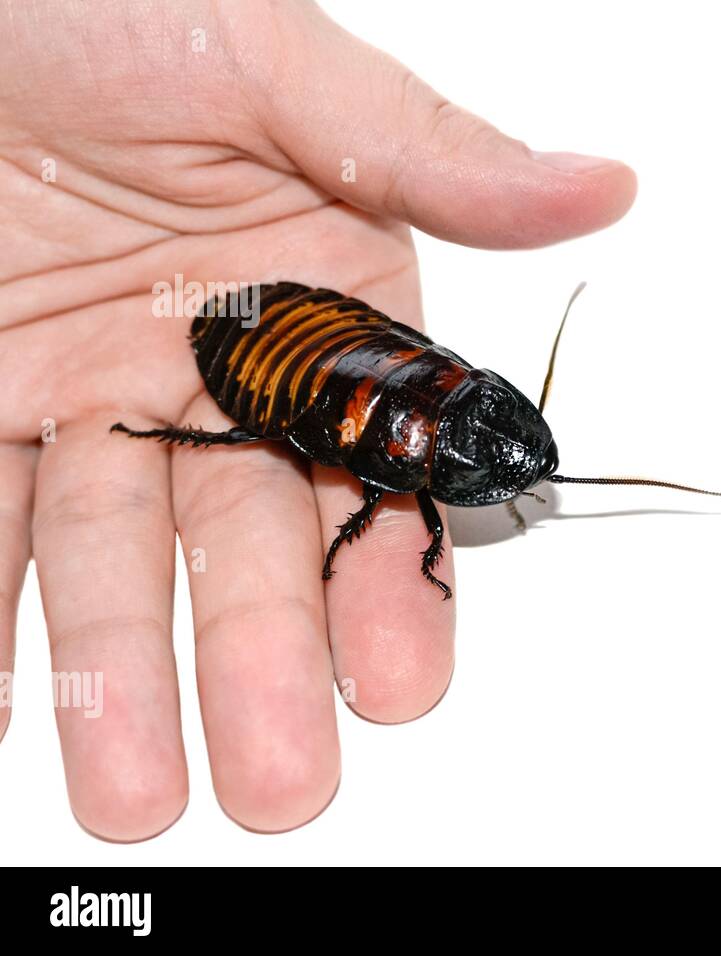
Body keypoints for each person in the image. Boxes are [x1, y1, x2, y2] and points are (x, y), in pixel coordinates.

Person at [0, 0, 636, 840]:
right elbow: (387, 489)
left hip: (333, 343)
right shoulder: (406, 470)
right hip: (287, 348)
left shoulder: (425, 436)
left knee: (257, 436)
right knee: (253, 434)